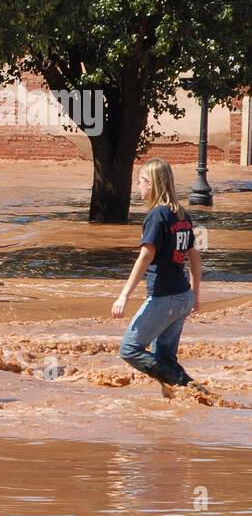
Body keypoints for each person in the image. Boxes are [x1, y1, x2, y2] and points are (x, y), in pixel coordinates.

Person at [112, 158, 202, 389]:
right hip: (182, 296)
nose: (138, 186)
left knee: (129, 349)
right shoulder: (182, 215)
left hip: (165, 297)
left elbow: (145, 257)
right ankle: (179, 404)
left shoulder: (157, 216)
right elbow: (195, 257)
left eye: (140, 181)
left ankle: (185, 385)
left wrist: (124, 295)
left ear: (151, 183)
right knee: (164, 358)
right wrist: (195, 295)